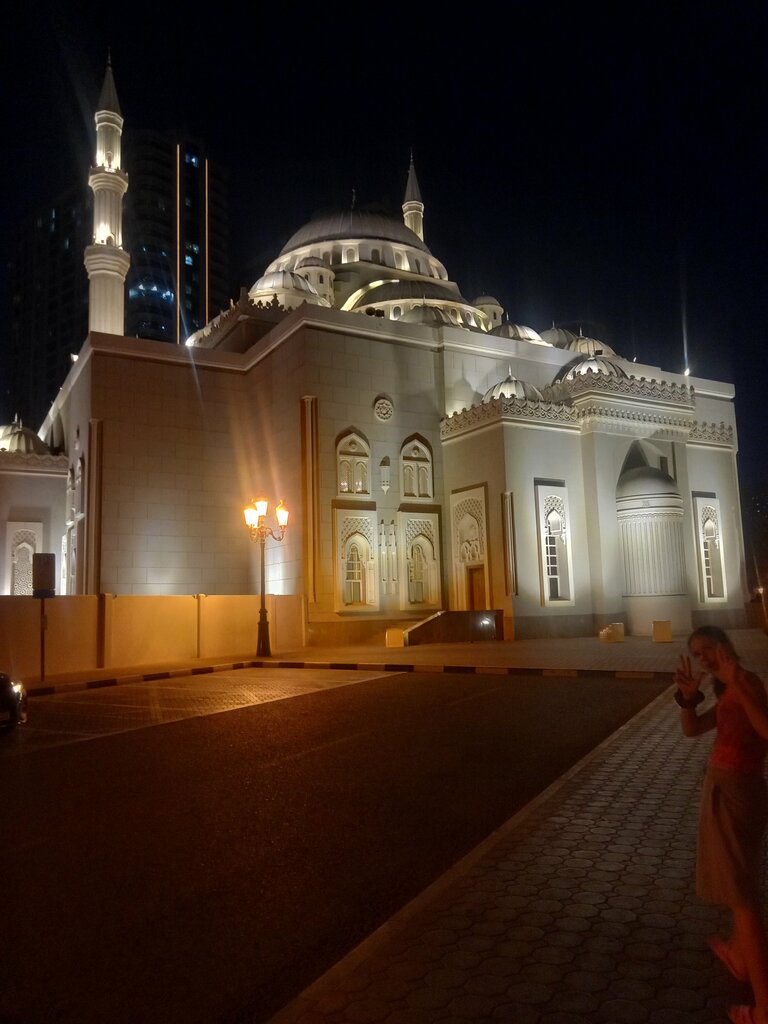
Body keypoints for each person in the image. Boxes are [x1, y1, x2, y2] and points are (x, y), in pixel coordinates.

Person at [675, 625, 768, 1024]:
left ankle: (764, 1007)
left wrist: (735, 683)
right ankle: (738, 954)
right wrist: (687, 699)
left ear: (725, 647)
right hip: (726, 789)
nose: (704, 659)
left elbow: (766, 730)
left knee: (744, 897)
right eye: (698, 654)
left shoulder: (746, 682)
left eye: (708, 649)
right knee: (737, 883)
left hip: (737, 793)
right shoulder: (729, 689)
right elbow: (693, 729)